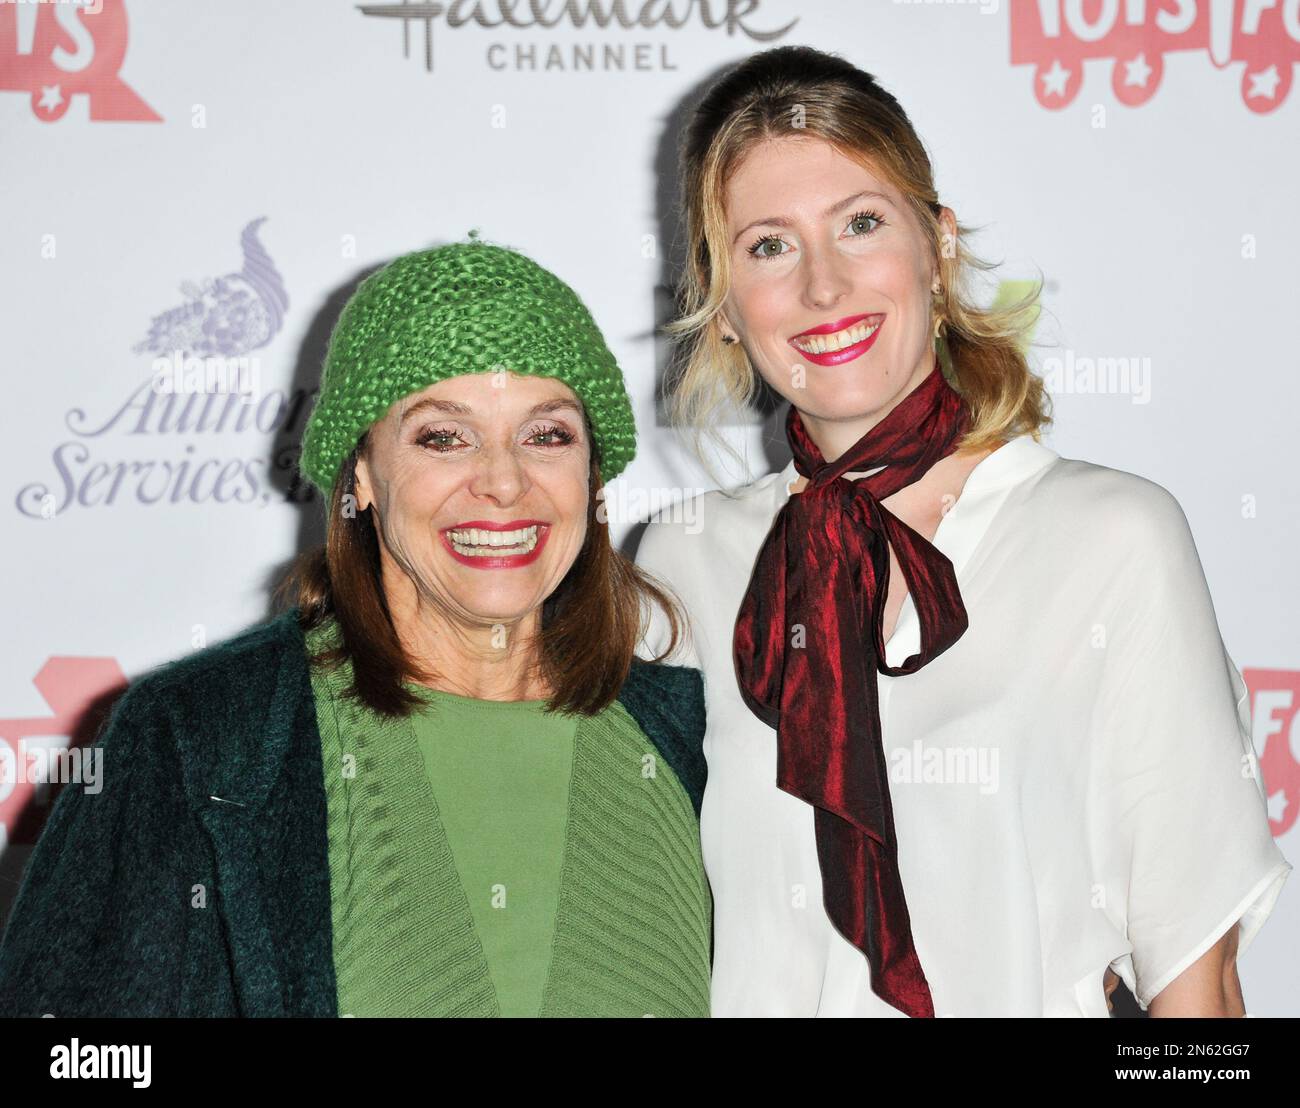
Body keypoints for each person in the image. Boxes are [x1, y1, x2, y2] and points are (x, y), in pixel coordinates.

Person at [634, 45, 1290, 1018]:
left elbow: (1197, 983)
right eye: (768, 245)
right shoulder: (681, 559)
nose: (822, 286)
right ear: (722, 304)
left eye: (859, 224)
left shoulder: (1110, 537)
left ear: (935, 247)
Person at [0, 238, 711, 1018]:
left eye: (548, 435)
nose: (505, 482)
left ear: (592, 474)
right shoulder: (203, 739)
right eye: (444, 436)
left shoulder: (686, 736)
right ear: (364, 474)